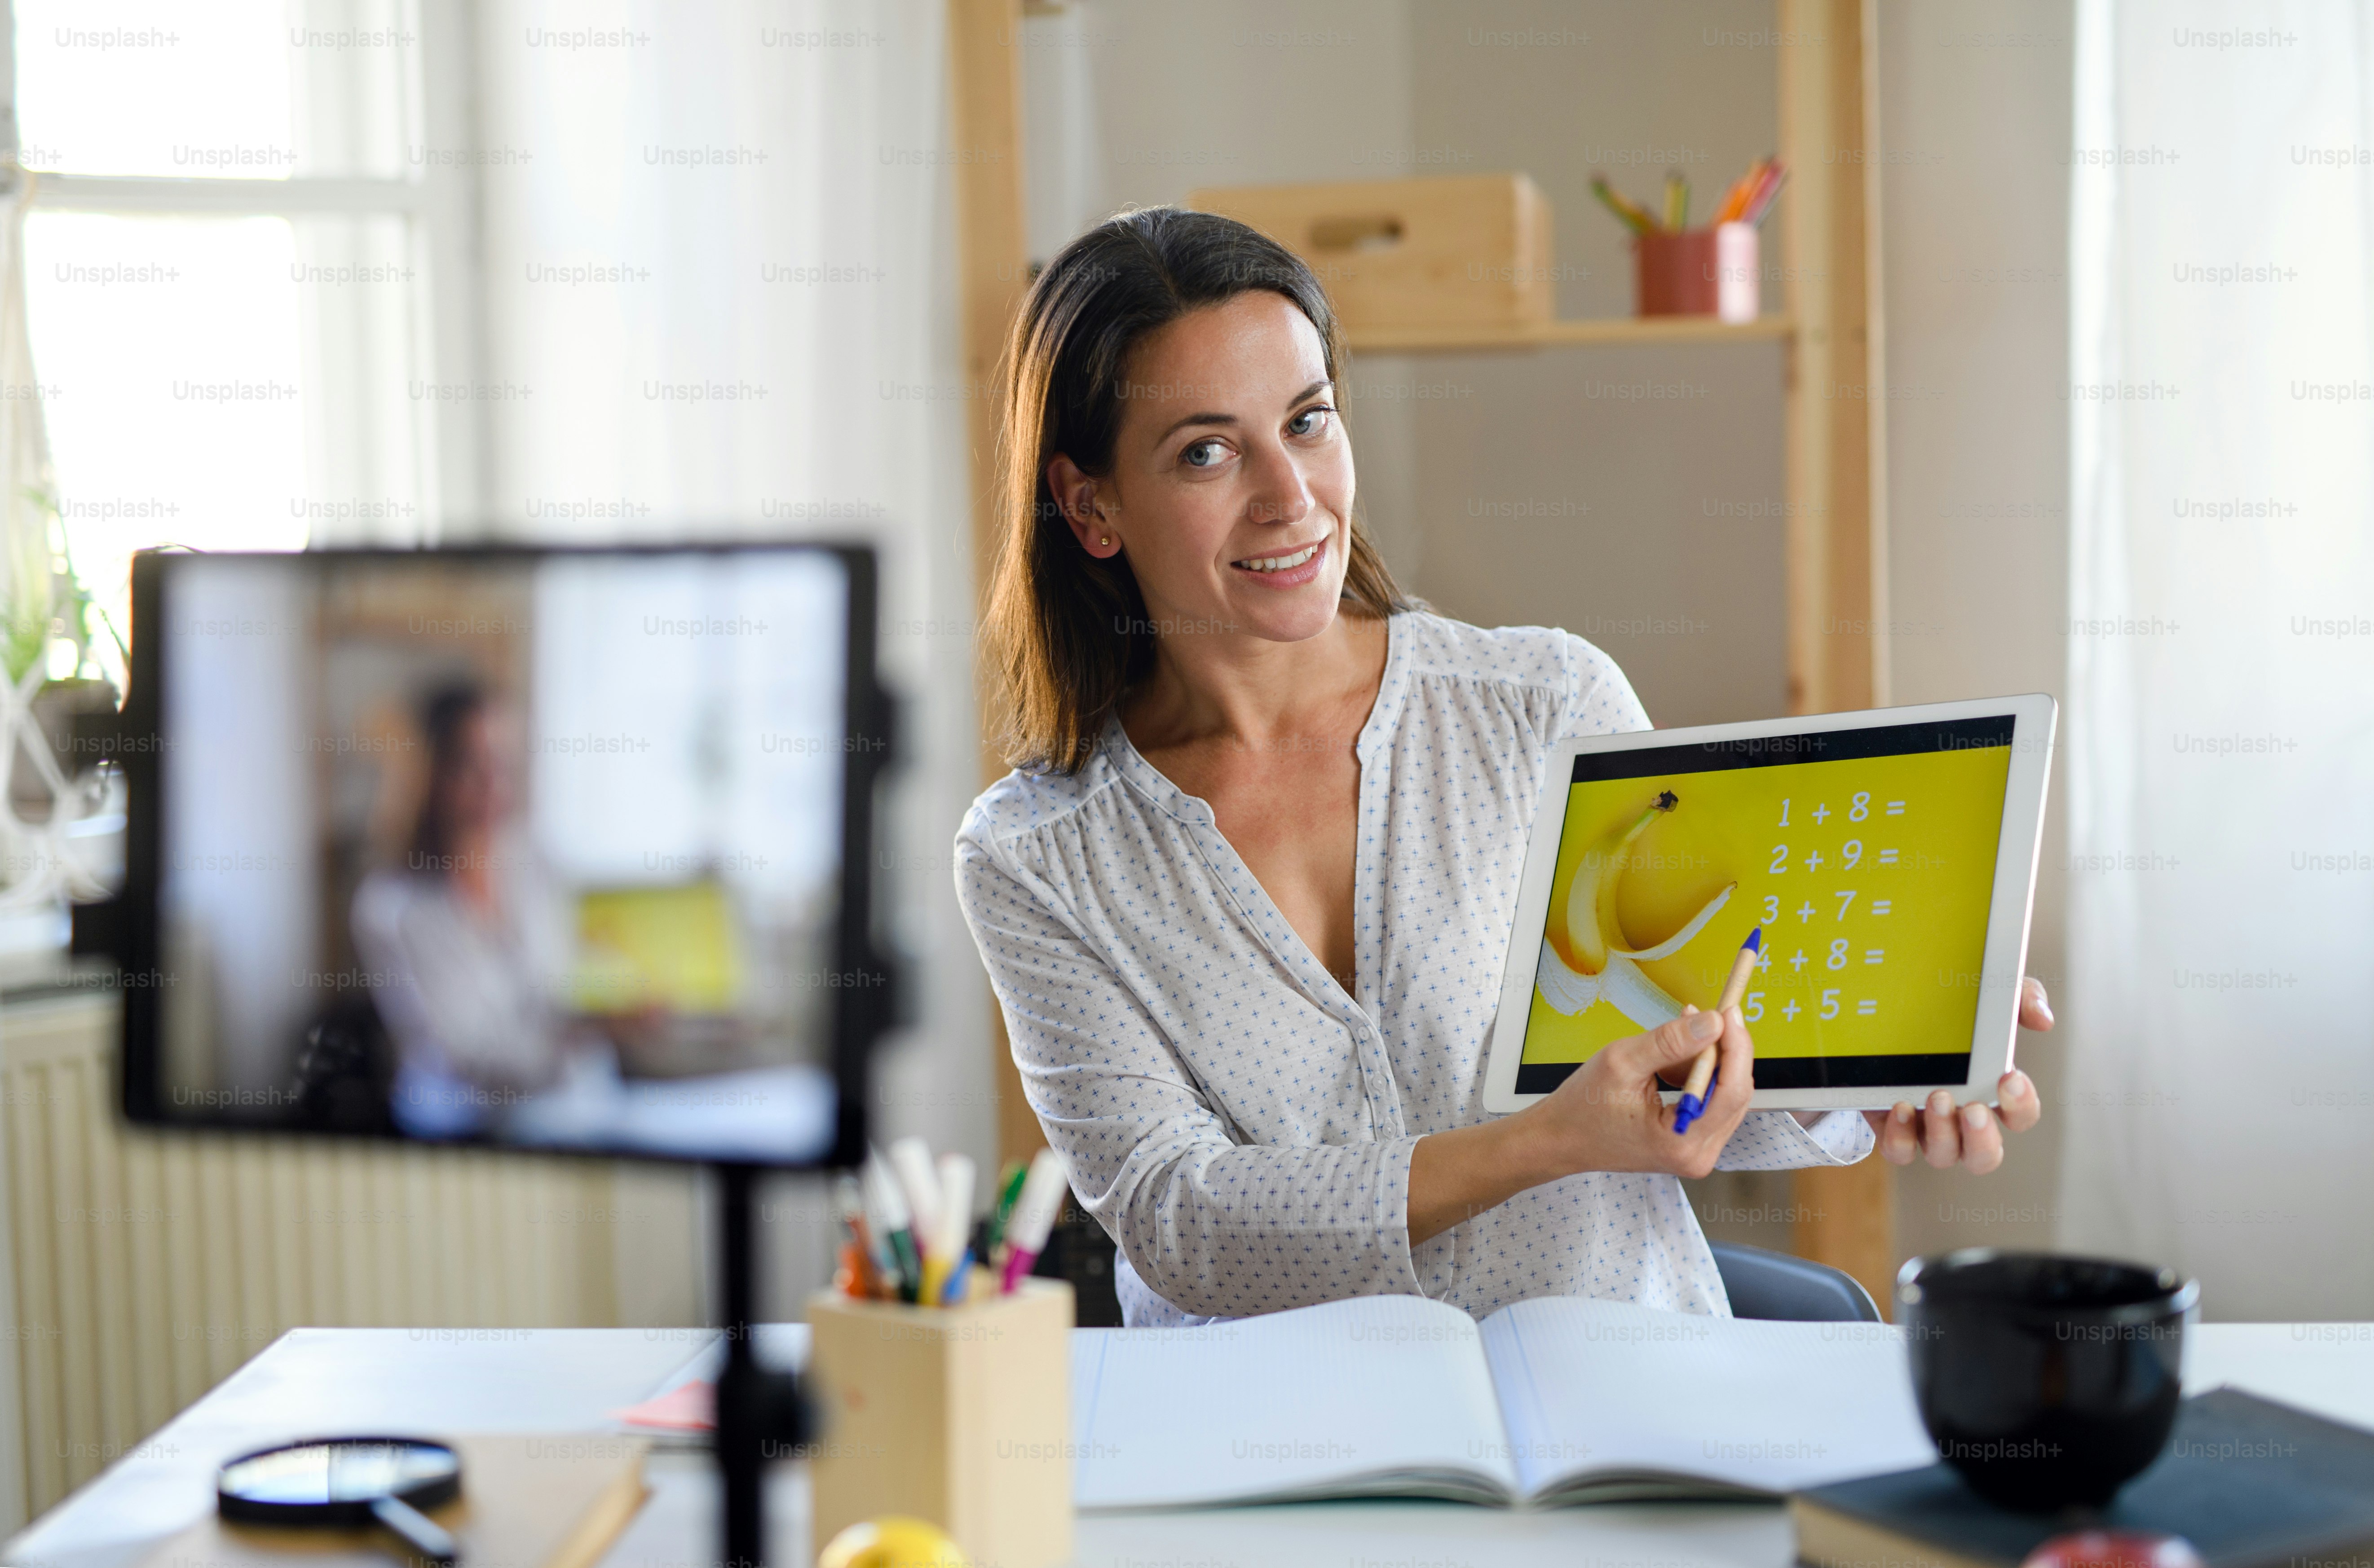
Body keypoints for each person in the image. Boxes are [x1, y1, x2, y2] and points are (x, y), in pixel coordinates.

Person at [956, 208, 2050, 1326]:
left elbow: (1681, 1071)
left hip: (1613, 1409)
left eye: (1309, 421)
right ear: (1092, 506)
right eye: (1207, 451)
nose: (1291, 497)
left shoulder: (1545, 706)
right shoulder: (1039, 854)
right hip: (1281, 1453)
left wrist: (1874, 1062)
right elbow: (1183, 1221)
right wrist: (1539, 1145)